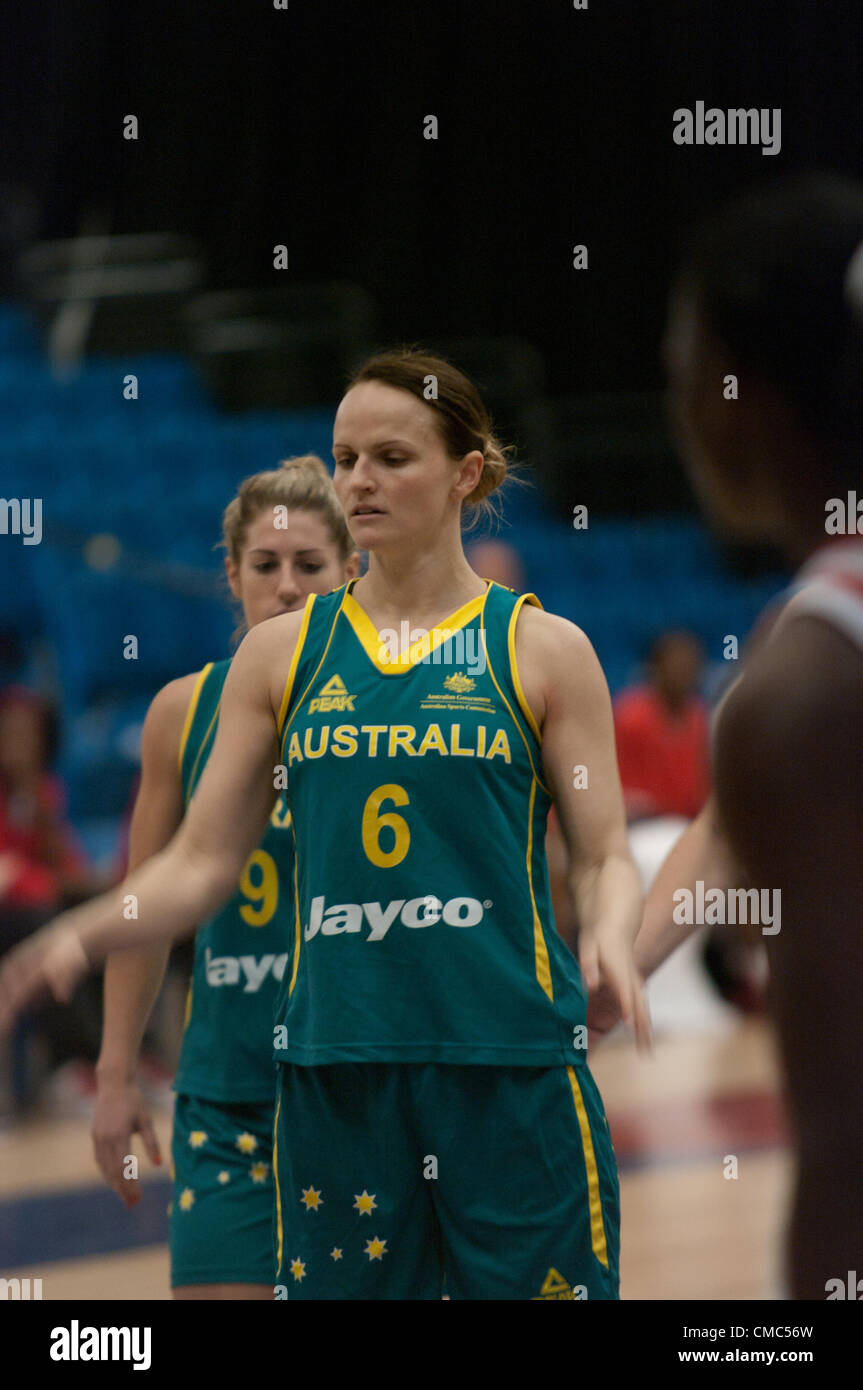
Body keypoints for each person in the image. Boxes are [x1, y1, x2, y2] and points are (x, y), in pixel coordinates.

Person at [0, 349, 650, 1301]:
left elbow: (602, 856)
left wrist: (610, 937)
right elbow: (199, 864)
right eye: (346, 458)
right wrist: (82, 932)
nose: (358, 480)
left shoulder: (544, 649)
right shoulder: (281, 655)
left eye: (391, 457)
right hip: (337, 1075)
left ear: (464, 474)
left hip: (508, 1062)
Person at [597, 174, 863, 1298]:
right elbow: (731, 824)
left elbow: (848, 1144)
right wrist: (622, 968)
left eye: (676, 374)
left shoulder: (803, 681)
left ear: (737, 397)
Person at [91, 456, 359, 1299]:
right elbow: (144, 903)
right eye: (265, 566)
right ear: (231, 576)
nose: (285, 587)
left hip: (360, 1097)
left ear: (351, 573)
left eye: (309, 566)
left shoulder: (396, 712)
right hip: (226, 1098)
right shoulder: (182, 712)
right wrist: (113, 1072)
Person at [613, 630, 710, 824]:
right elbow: (615, 788)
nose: (683, 671)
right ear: (656, 667)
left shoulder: (701, 717)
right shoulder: (631, 716)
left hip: (689, 825)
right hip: (641, 826)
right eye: (675, 664)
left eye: (690, 664)